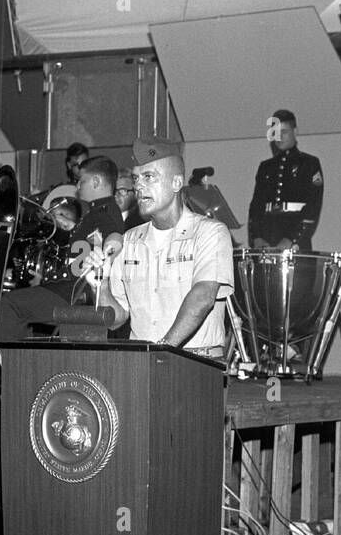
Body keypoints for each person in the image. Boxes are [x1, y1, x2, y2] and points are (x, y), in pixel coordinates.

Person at [85, 138, 233, 358]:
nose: (138, 186)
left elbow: (202, 298)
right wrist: (101, 286)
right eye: (136, 178)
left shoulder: (209, 233)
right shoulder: (129, 240)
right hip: (142, 360)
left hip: (197, 362)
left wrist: (162, 350)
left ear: (176, 183)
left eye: (149, 177)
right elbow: (117, 320)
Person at [0, 155, 126, 343]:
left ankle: (10, 368)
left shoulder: (106, 212)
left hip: (73, 292)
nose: (78, 187)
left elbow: (116, 236)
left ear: (96, 182)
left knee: (10, 305)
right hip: (69, 289)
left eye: (81, 181)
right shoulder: (96, 212)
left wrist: (110, 251)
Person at [247, 109, 323, 251]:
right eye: (275, 133)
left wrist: (291, 238)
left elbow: (313, 206)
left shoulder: (309, 164)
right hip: (267, 236)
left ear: (295, 132)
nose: (279, 137)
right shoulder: (266, 167)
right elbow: (256, 206)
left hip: (295, 238)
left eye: (284, 132)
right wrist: (256, 237)